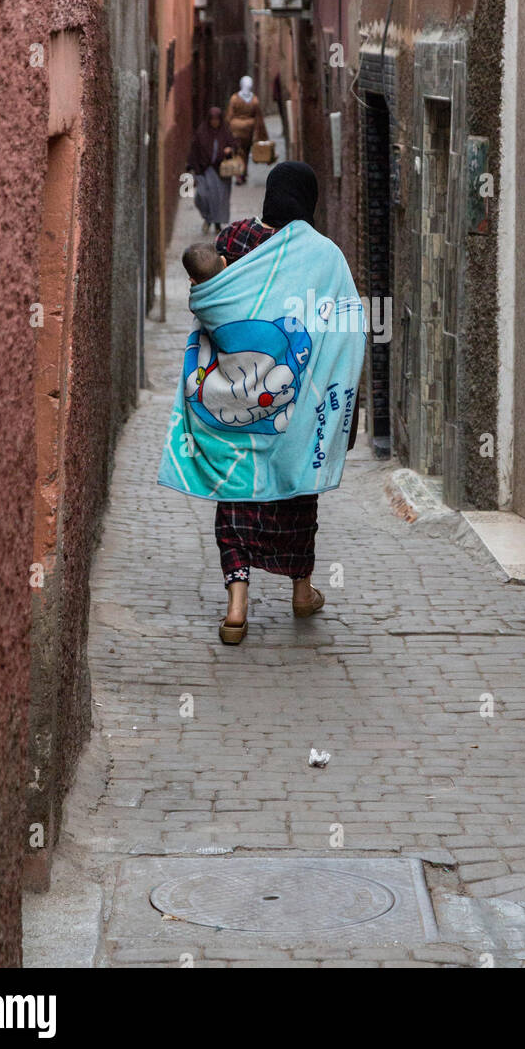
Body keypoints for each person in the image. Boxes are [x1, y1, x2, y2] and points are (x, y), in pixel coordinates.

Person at [212, 162, 326, 644]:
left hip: (235, 393)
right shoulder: (317, 256)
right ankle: (302, 591)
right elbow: (333, 329)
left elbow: (212, 296)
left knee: (237, 491)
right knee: (296, 491)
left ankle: (237, 605)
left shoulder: (235, 239)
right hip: (291, 398)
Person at [186, 107, 234, 233]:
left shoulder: (225, 132)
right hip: (204, 169)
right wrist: (192, 167)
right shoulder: (201, 132)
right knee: (202, 196)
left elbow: (234, 145)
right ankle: (208, 218)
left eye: (217, 120)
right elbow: (194, 150)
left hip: (220, 171)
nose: (215, 122)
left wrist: (229, 150)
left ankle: (217, 224)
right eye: (212, 120)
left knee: (219, 198)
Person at [225, 75, 267, 185]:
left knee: (238, 152)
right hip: (248, 130)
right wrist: (261, 135)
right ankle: (243, 173)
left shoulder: (234, 98)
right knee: (245, 151)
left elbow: (229, 115)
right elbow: (258, 118)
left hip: (235, 129)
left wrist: (226, 129)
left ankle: (239, 174)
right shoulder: (254, 100)